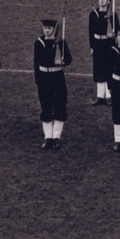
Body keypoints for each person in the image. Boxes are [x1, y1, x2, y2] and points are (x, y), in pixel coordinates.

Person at [33, 19, 72, 150]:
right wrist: (38, 80)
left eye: (50, 28)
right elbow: (36, 63)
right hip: (44, 78)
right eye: (45, 28)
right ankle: (48, 137)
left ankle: (56, 137)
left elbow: (68, 59)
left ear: (54, 30)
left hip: (57, 77)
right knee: (46, 106)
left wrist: (63, 61)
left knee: (59, 105)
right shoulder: (38, 43)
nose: (47, 30)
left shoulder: (60, 42)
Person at [88, 0, 119, 106]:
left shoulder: (113, 14)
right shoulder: (93, 14)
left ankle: (109, 95)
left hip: (109, 44)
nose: (102, 0)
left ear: (108, 1)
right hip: (97, 44)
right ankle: (100, 96)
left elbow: (118, 30)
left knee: (109, 68)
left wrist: (114, 36)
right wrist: (92, 46)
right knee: (98, 69)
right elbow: (90, 31)